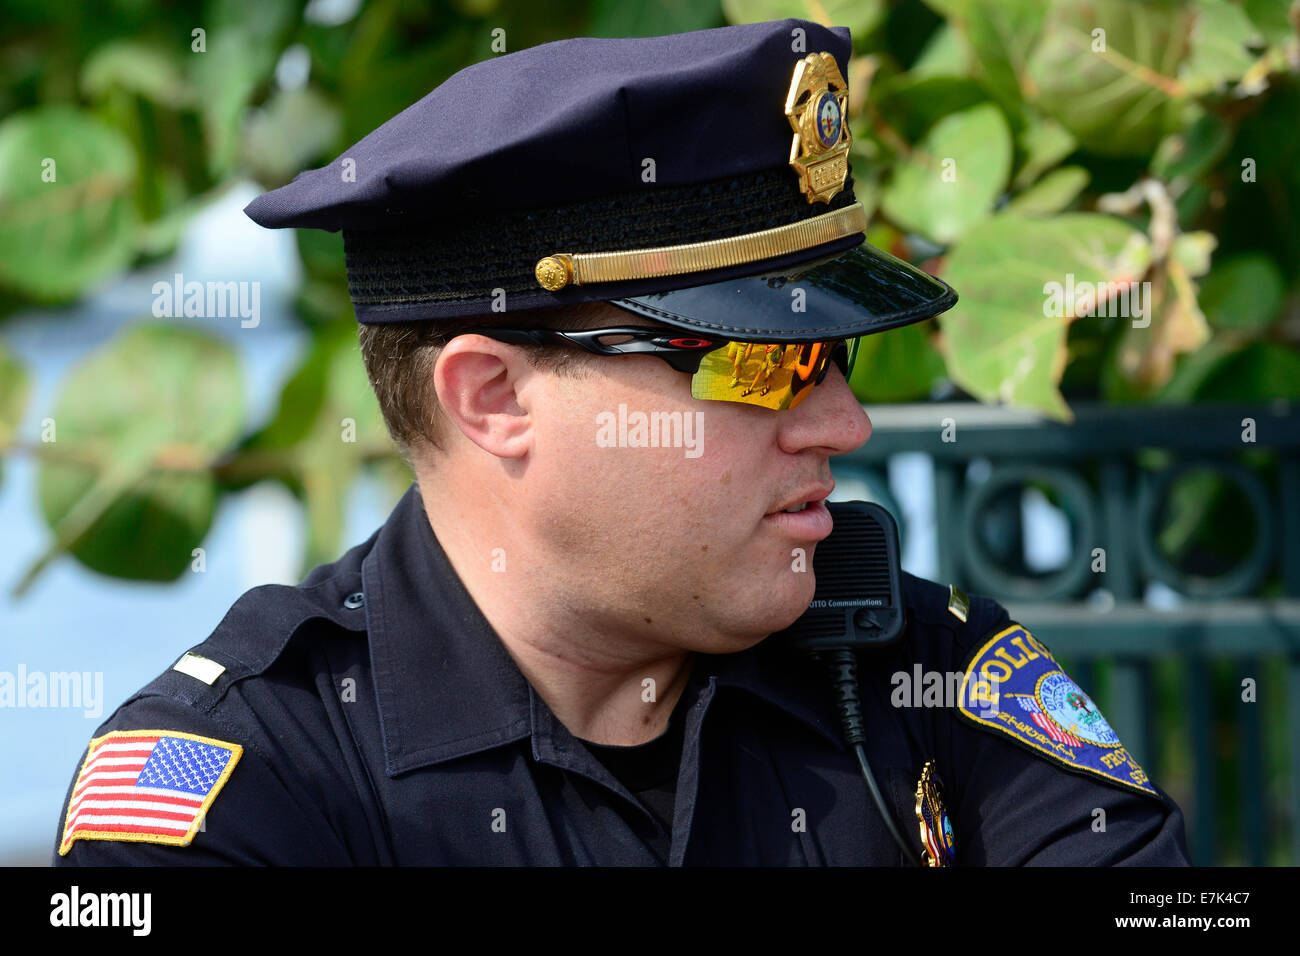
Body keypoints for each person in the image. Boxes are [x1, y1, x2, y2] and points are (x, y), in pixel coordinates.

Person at [52, 18, 1190, 866]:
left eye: (839, 357)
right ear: (493, 396)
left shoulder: (913, 666)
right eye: (761, 362)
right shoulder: (249, 785)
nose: (841, 422)